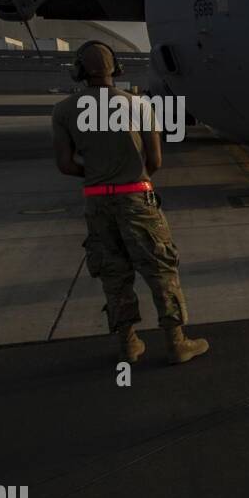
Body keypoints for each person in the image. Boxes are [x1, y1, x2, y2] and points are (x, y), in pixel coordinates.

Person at [51, 41, 208, 365]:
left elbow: (65, 165)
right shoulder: (138, 105)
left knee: (114, 274)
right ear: (116, 69)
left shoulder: (64, 110)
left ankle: (129, 344)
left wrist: (97, 175)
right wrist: (134, 180)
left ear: (79, 71)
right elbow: (156, 160)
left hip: (97, 202)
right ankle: (176, 342)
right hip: (137, 196)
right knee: (160, 269)